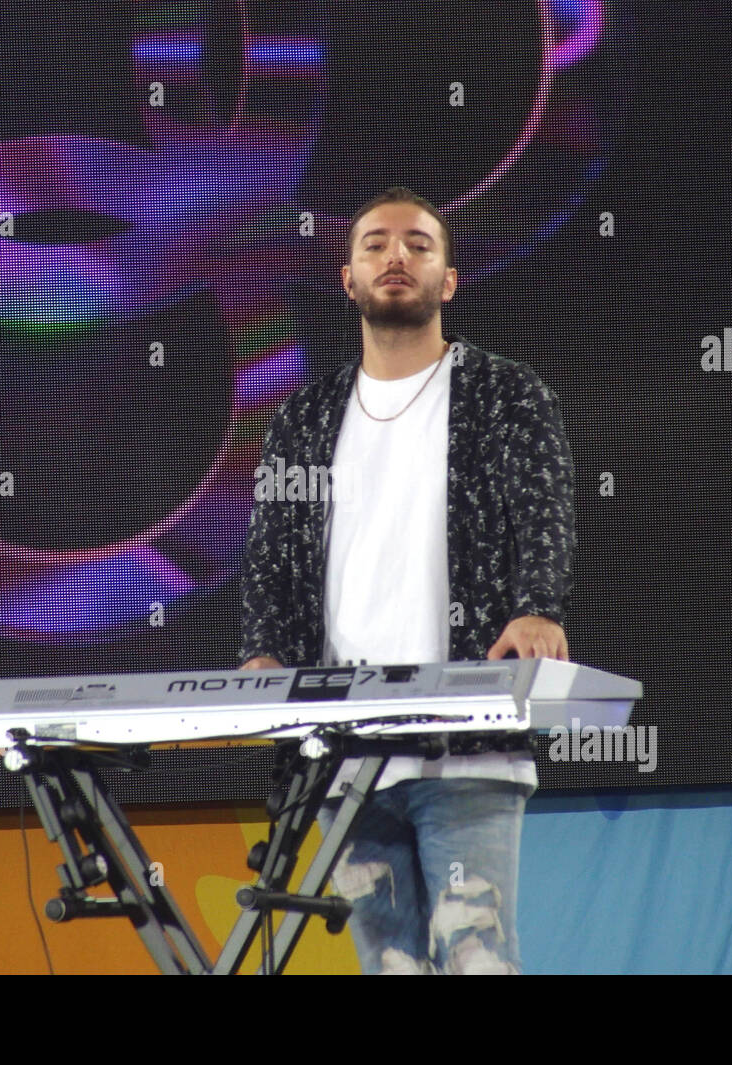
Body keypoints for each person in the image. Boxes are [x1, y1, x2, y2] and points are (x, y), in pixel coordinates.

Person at [238, 186, 575, 974]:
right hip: (344, 751)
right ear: (347, 277)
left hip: (467, 747)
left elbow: (545, 511)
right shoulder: (304, 418)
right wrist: (262, 652)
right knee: (391, 965)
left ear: (448, 280)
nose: (397, 256)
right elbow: (268, 555)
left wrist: (536, 609)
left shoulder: (505, 395)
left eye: (419, 245)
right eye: (376, 244)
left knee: (476, 959)